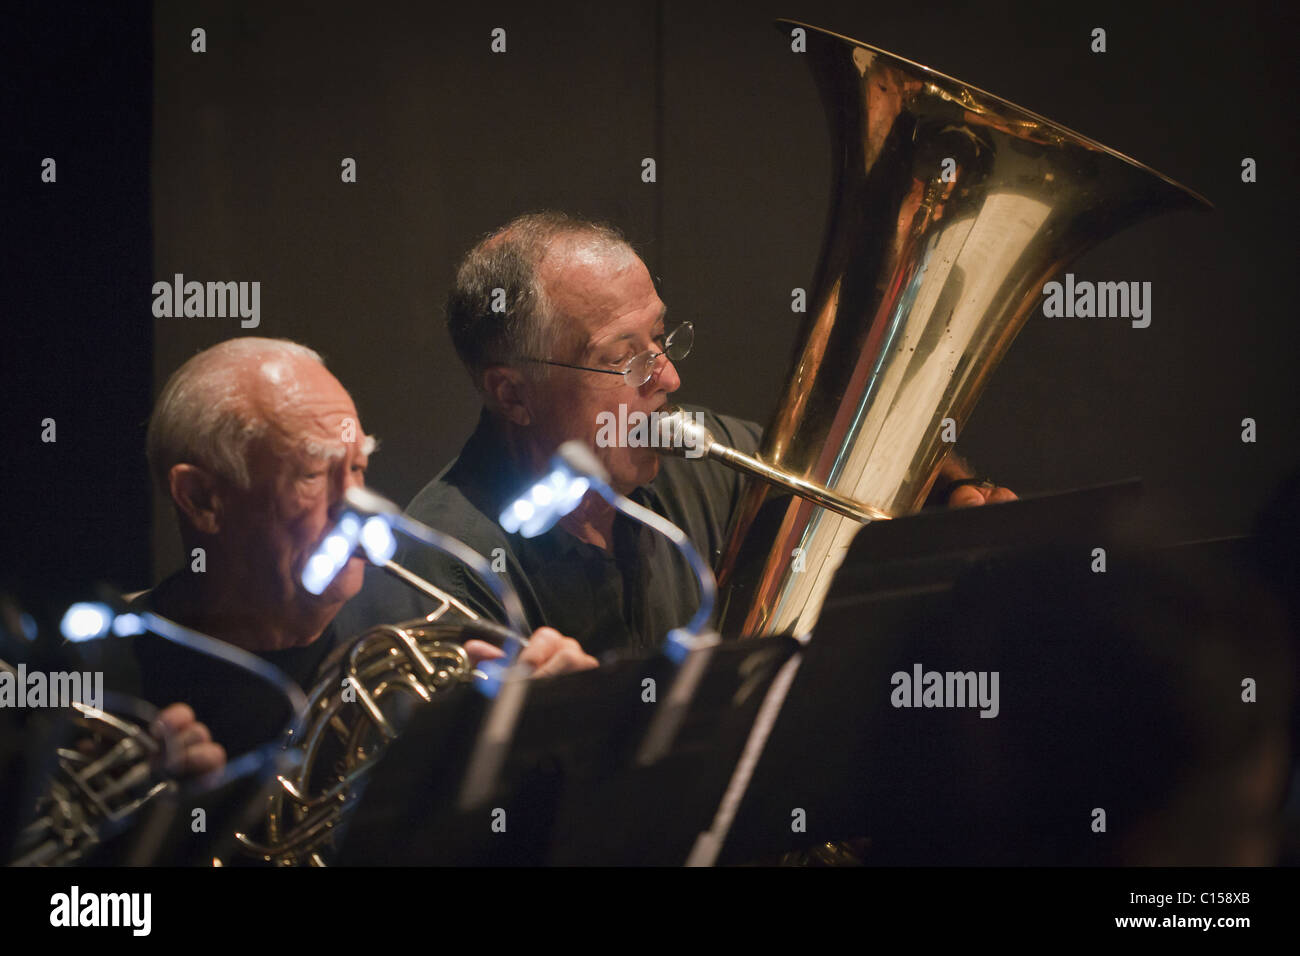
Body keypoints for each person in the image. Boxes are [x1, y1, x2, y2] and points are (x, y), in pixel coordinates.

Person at [337, 212, 1015, 656]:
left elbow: (855, 467)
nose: (666, 379)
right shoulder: (439, 570)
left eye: (660, 340)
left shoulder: (701, 460)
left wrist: (954, 490)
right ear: (512, 393)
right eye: (622, 357)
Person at [93, 337, 595, 761]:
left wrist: (562, 728)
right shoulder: (100, 695)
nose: (360, 507)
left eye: (357, 469)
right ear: (202, 499)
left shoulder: (427, 623)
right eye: (312, 475)